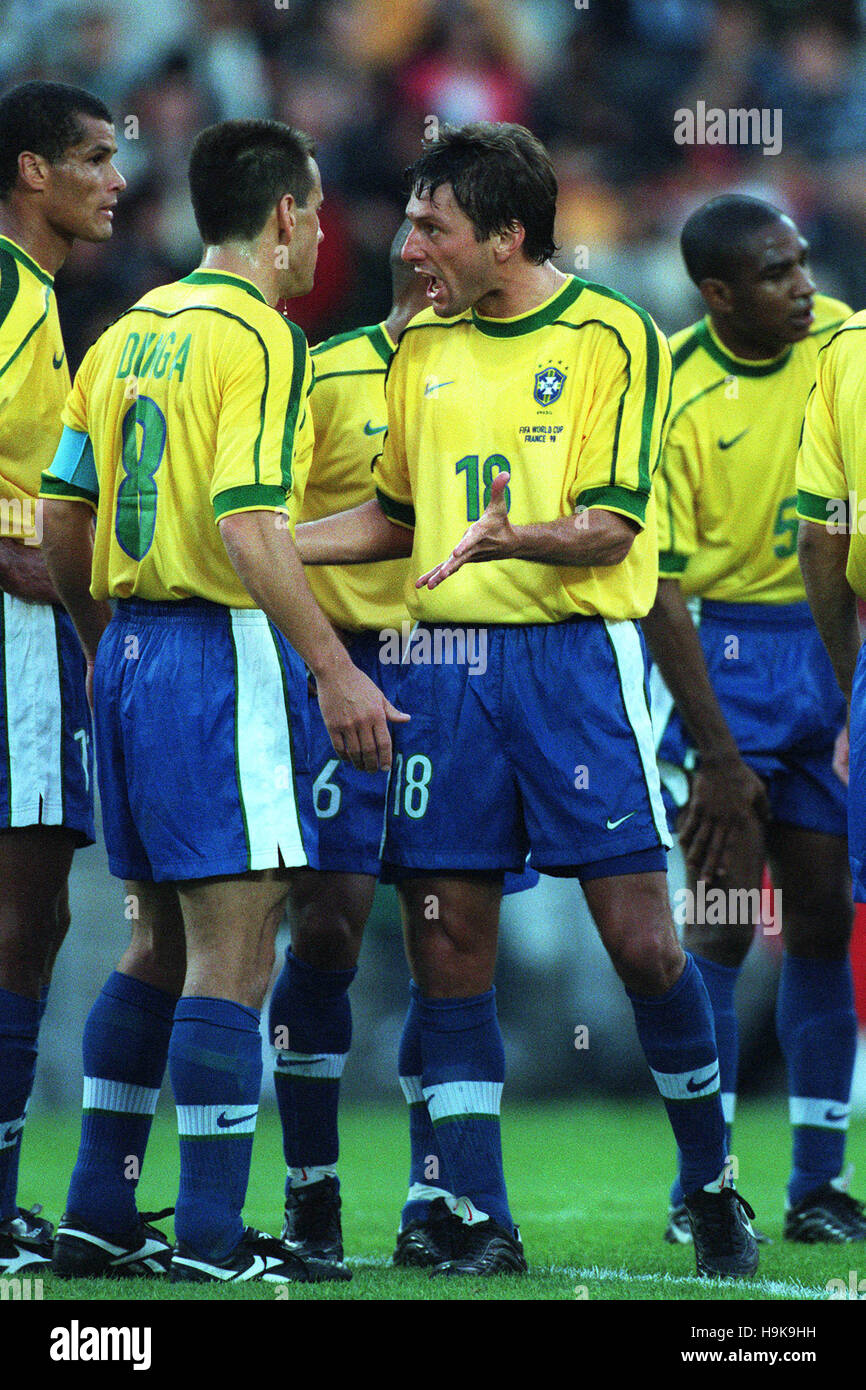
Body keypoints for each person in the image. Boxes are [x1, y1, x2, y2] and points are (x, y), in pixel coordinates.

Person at [296, 121, 758, 1280]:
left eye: (433, 226)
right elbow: (396, 520)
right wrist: (263, 542)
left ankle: (709, 1186)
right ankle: (473, 1214)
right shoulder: (422, 350)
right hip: (437, 668)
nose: (410, 246)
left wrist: (515, 533)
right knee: (450, 949)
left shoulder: (612, 336)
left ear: (506, 237)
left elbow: (611, 525)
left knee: (646, 947)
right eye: (410, 223)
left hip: (568, 663)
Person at [39, 118, 405, 1284]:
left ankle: (98, 1211)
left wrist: (106, 644)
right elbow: (251, 525)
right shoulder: (263, 339)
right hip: (220, 653)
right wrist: (336, 668)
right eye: (318, 213)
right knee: (234, 954)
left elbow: (60, 514)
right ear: (290, 214)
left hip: (136, 653)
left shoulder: (129, 327)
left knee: (152, 942)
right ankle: (205, 1234)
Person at [643, 195, 865, 1246]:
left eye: (803, 263)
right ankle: (707, 1181)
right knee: (723, 916)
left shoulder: (842, 345)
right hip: (719, 657)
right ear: (716, 293)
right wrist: (717, 753)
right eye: (775, 273)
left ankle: (816, 1183)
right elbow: (660, 590)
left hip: (827, 649)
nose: (802, 286)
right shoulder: (675, 387)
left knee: (822, 912)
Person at [0, 79, 125, 1277]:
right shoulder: (2, 277)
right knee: (20, 912)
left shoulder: (38, 296)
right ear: (32, 171)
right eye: (92, 156)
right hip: (11, 635)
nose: (115, 178)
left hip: (35, 634)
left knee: (32, 913)